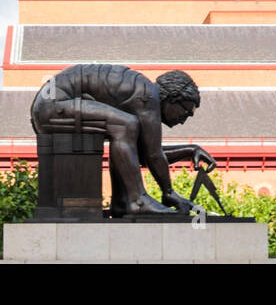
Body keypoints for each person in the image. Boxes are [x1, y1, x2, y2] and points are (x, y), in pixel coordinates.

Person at [30, 63, 217, 215]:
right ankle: (136, 200)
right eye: (185, 112)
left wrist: (190, 151)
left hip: (51, 107)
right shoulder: (147, 96)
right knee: (125, 125)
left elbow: (141, 154)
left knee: (125, 128)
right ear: (173, 98)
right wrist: (168, 192)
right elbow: (153, 155)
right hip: (52, 107)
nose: (183, 120)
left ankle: (122, 201)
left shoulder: (143, 92)